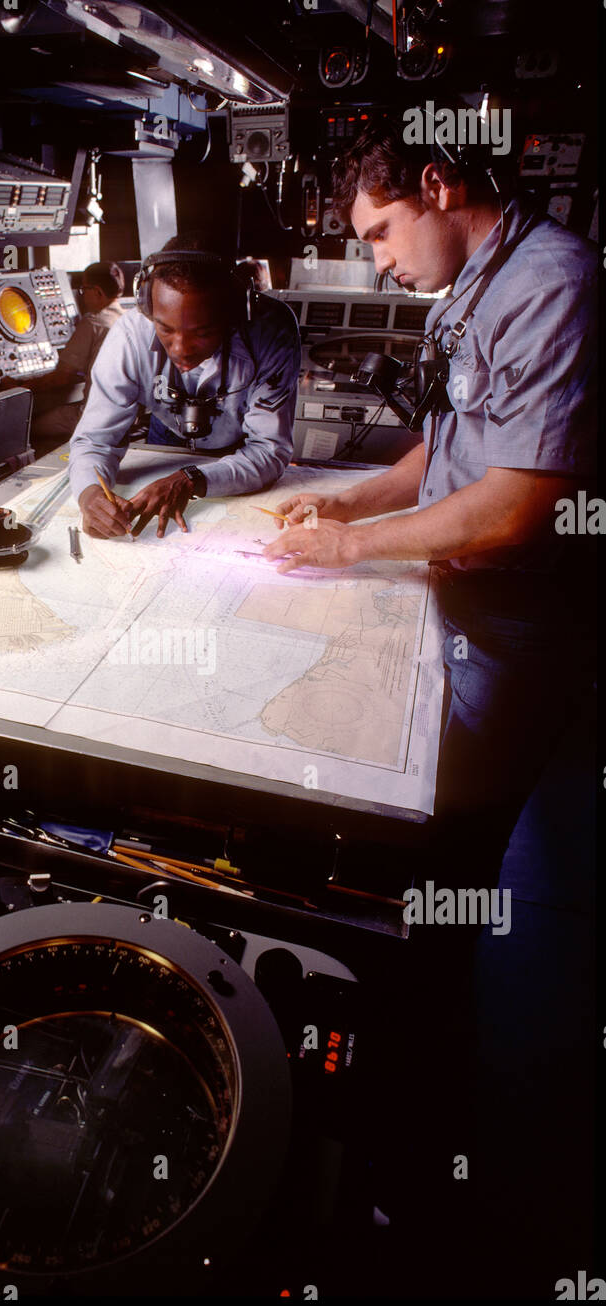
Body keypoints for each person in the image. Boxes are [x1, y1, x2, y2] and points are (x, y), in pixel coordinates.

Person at [261, 114, 596, 893]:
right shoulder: (474, 289)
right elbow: (454, 446)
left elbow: (519, 503)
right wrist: (349, 504)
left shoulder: (551, 284)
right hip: (459, 596)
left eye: (381, 233)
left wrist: (349, 548)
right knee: (417, 797)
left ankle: (442, 975)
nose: (378, 264)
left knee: (456, 832)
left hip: (516, 624)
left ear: (437, 186)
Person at [67, 236, 301, 539]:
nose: (181, 349)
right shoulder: (128, 336)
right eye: (165, 328)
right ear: (147, 306)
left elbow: (268, 451)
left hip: (238, 448)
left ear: (231, 313)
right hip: (165, 438)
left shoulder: (272, 330)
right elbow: (95, 442)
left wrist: (191, 479)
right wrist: (89, 496)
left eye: (202, 332)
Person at [30, 261, 126, 439]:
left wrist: (21, 386)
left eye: (83, 290)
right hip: (126, 419)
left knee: (29, 429)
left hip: (96, 420)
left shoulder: (93, 323)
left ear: (97, 292)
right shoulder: (128, 320)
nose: (81, 296)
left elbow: (61, 377)